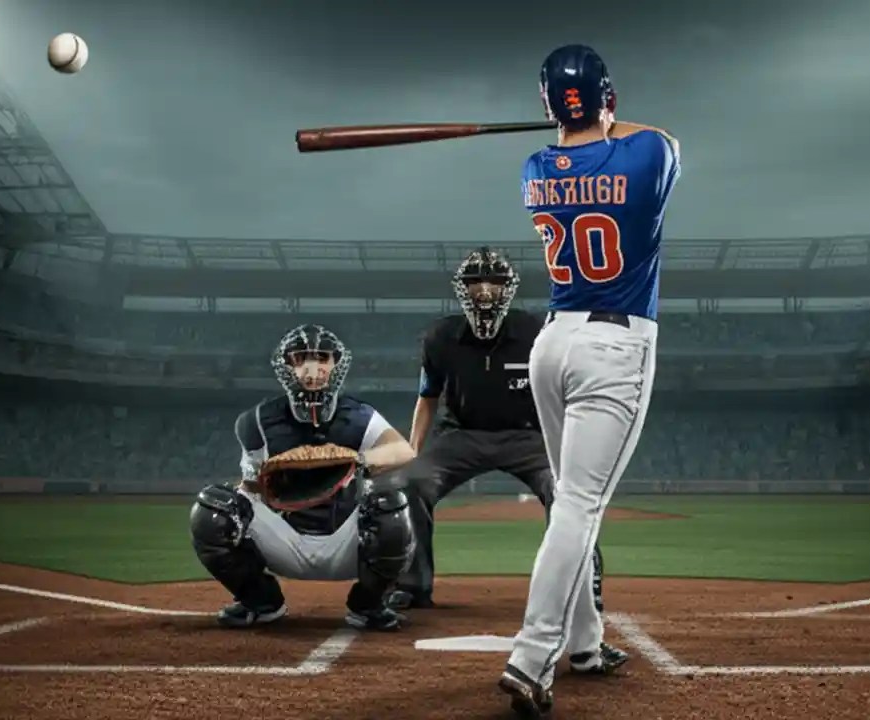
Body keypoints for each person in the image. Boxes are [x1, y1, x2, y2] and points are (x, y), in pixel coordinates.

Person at [498, 44, 680, 718]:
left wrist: (568, 121)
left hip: (551, 344)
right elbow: (655, 135)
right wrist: (599, 115)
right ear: (608, 96)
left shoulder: (534, 167)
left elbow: (579, 142)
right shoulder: (648, 154)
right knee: (580, 506)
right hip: (614, 344)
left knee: (567, 501)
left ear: (548, 105)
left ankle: (585, 643)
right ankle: (530, 656)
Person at [387, 248, 622, 665]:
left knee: (566, 490)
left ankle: (584, 587)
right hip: (462, 435)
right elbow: (428, 399)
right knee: (409, 483)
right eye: (475, 281)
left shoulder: (537, 331)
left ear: (508, 288)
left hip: (529, 436)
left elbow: (565, 393)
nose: (484, 290)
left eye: (493, 281)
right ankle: (412, 584)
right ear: (461, 289)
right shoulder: (439, 337)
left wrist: (568, 447)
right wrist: (411, 454)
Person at [188, 323, 418, 632]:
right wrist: (284, 477)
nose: (312, 368)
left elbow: (403, 450)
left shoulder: (359, 415)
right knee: (213, 509)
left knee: (393, 507)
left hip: (346, 541)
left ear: (337, 363)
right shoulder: (256, 421)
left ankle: (369, 605)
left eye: (322, 358)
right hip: (284, 537)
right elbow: (250, 490)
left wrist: (355, 460)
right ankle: (261, 601)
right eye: (300, 358)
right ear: (286, 365)